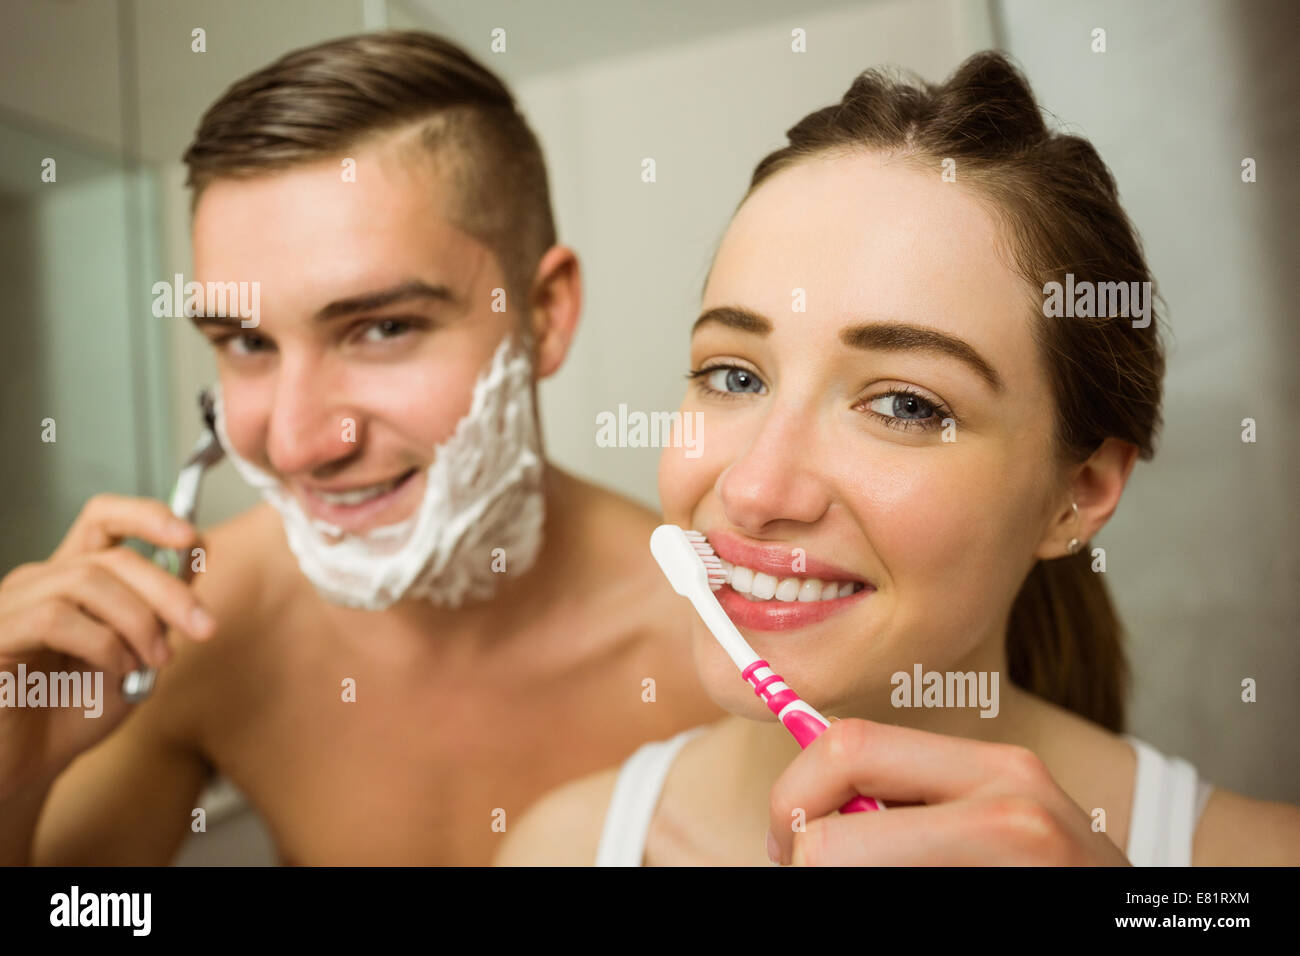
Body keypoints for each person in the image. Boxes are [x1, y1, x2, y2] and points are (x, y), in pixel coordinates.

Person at [495, 52, 1300, 866]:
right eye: (733, 376)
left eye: (906, 405)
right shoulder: (560, 848)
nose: (754, 488)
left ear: (1079, 492)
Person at [0, 31, 722, 866]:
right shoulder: (192, 624)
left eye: (382, 328)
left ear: (545, 313)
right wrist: (12, 778)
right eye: (246, 342)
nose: (298, 443)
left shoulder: (724, 651)